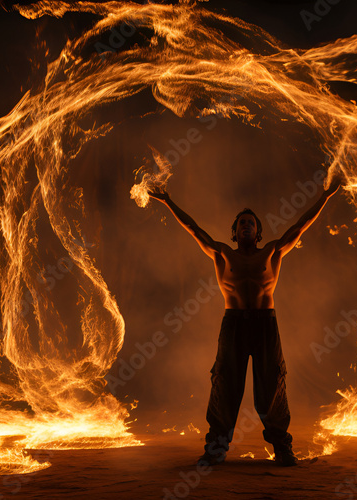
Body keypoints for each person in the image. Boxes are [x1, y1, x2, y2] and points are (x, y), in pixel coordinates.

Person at [147, 171, 344, 467]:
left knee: (273, 384)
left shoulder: (273, 252)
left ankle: (282, 448)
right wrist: (167, 201)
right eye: (242, 223)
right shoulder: (222, 253)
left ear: (259, 231)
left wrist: (326, 196)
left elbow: (301, 225)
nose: (247, 226)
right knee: (224, 383)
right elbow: (193, 228)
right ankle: (215, 449)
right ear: (235, 232)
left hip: (266, 324)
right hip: (234, 324)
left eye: (251, 223)